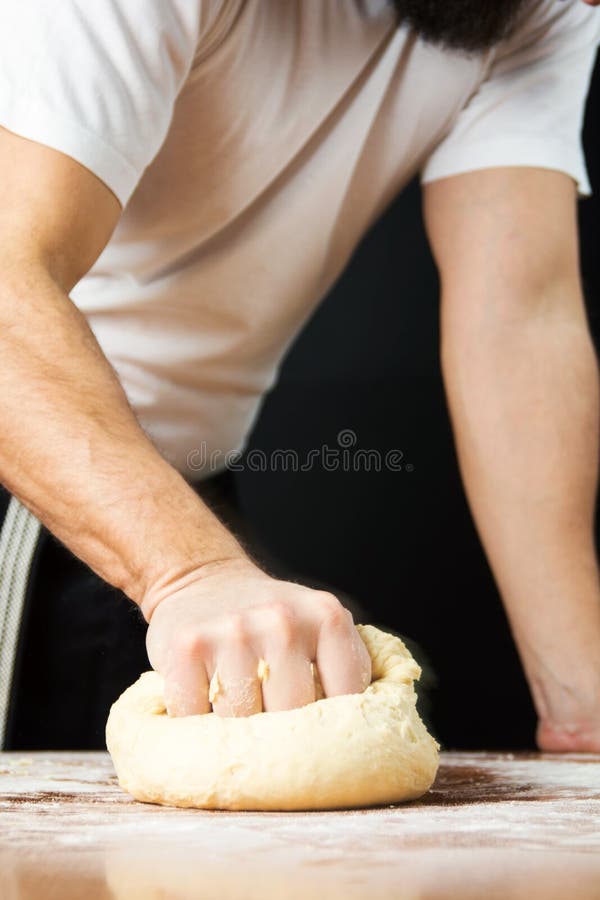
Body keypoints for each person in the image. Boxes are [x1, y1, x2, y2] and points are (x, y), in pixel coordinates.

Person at [0, 0, 599, 752]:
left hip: (183, 516)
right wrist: (190, 574)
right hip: (38, 469)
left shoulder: (549, 7)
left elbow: (518, 322)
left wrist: (582, 700)